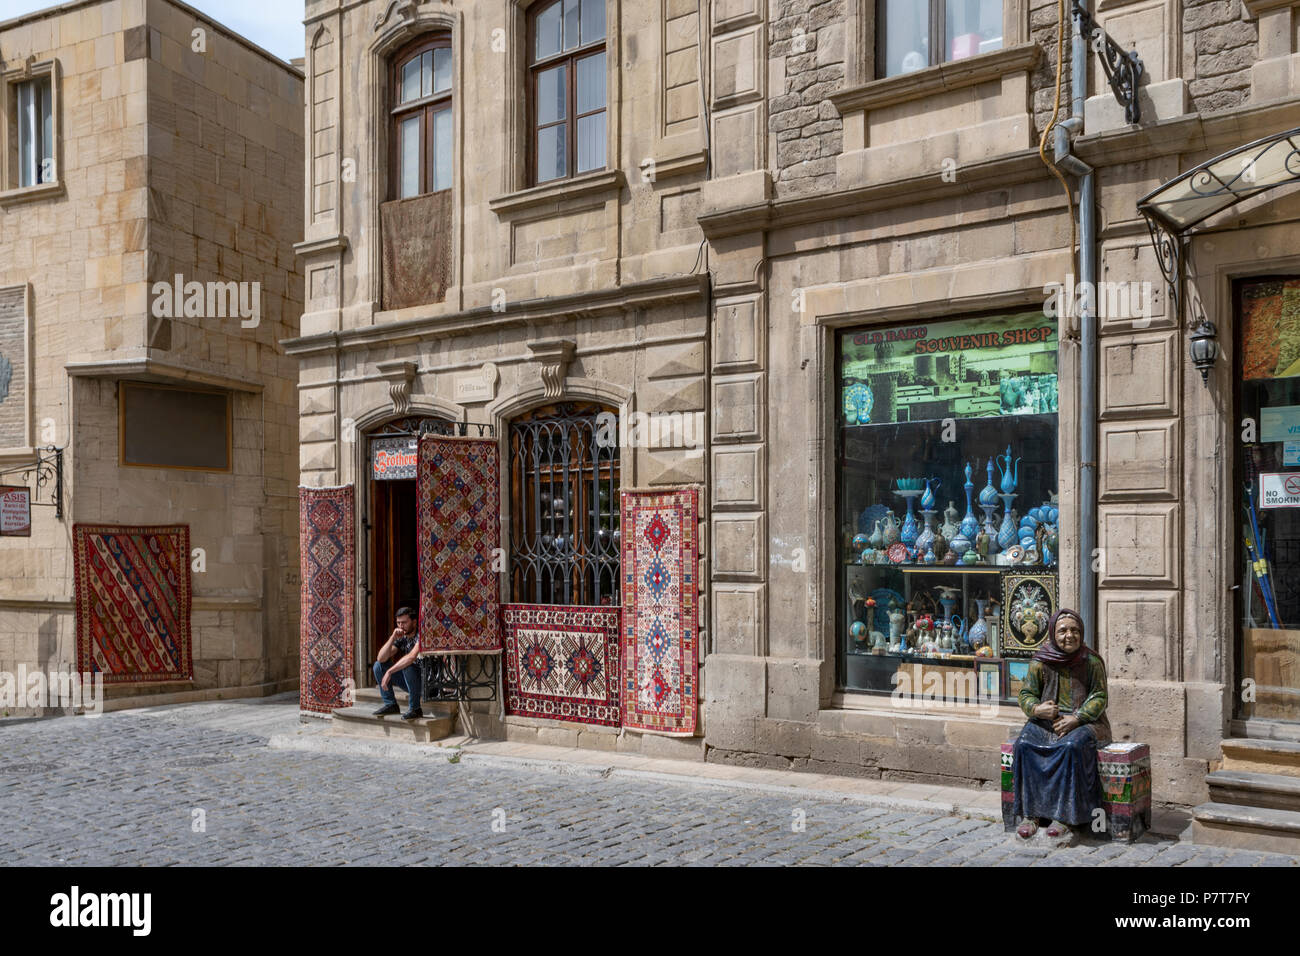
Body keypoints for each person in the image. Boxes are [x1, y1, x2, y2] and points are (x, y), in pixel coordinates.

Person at [1011, 607, 1111, 841]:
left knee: (1070, 748)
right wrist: (1037, 709)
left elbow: (1100, 697)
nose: (1069, 636)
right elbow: (1026, 694)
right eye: (1063, 630)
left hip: (1086, 722)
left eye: (1075, 630)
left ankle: (1064, 817)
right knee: (1024, 744)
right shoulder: (1040, 661)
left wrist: (1077, 718)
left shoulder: (1091, 661)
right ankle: (1032, 814)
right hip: (1046, 721)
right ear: (1053, 633)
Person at [372, 607, 423, 720]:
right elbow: (381, 658)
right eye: (398, 623)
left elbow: (411, 657)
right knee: (378, 666)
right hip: (410, 682)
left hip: (426, 685)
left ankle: (415, 708)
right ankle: (391, 704)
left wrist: (390, 672)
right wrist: (392, 637)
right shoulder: (402, 638)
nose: (401, 626)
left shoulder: (422, 635)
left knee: (408, 665)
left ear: (414, 622)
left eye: (404, 622)